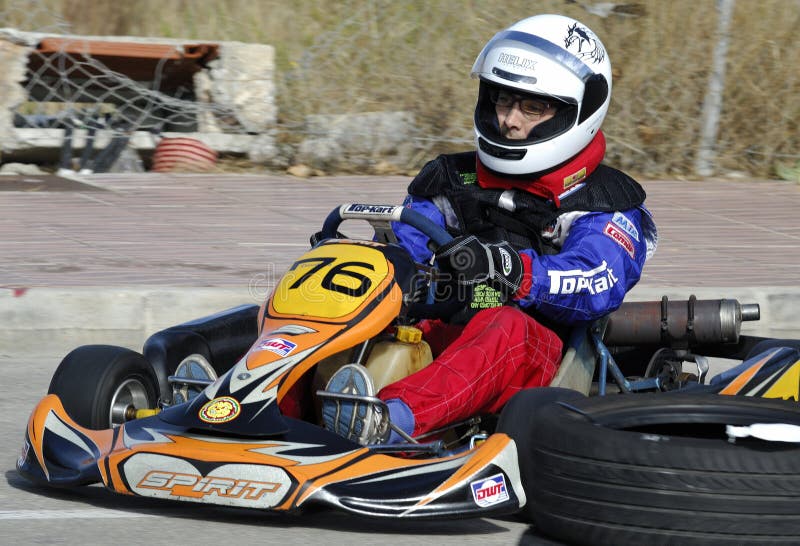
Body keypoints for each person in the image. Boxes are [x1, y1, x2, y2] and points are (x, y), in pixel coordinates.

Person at [320, 13, 658, 445]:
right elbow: (409, 244)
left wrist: (516, 271)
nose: (510, 121)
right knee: (342, 294)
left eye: (533, 106)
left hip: (539, 357)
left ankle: (388, 422)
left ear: (580, 111)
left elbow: (596, 278)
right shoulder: (450, 178)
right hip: (447, 321)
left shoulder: (603, 202)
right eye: (502, 100)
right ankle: (256, 399)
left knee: (504, 325)